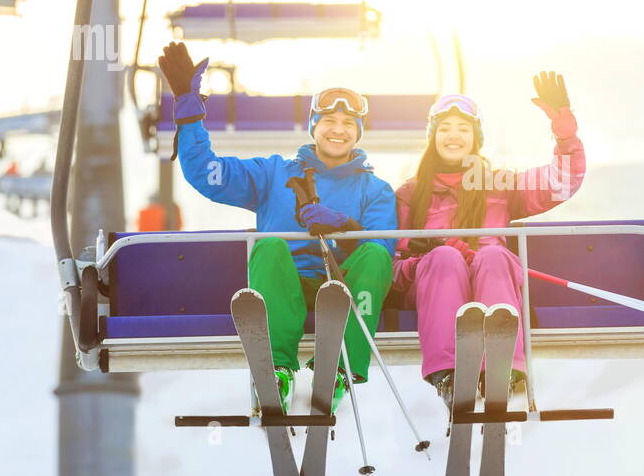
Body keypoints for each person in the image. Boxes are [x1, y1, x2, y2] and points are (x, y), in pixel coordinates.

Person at [158, 41, 395, 413]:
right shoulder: (273, 174)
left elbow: (383, 250)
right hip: (287, 282)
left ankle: (338, 368)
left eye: (349, 124)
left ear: (359, 132)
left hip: (341, 283)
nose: (338, 130)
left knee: (376, 255)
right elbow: (209, 174)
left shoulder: (375, 190)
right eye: (329, 121)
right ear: (314, 126)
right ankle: (277, 368)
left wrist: (344, 226)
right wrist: (189, 116)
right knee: (267, 245)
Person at [392, 73, 585, 409]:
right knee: (445, 259)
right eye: (446, 128)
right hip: (436, 284)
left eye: (463, 129)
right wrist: (425, 259)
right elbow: (394, 266)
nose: (454, 136)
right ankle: (450, 373)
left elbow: (560, 183)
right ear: (433, 136)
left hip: (489, 278)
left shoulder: (499, 184)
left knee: (494, 256)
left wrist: (565, 136)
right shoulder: (411, 195)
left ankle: (500, 365)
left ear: (475, 138)